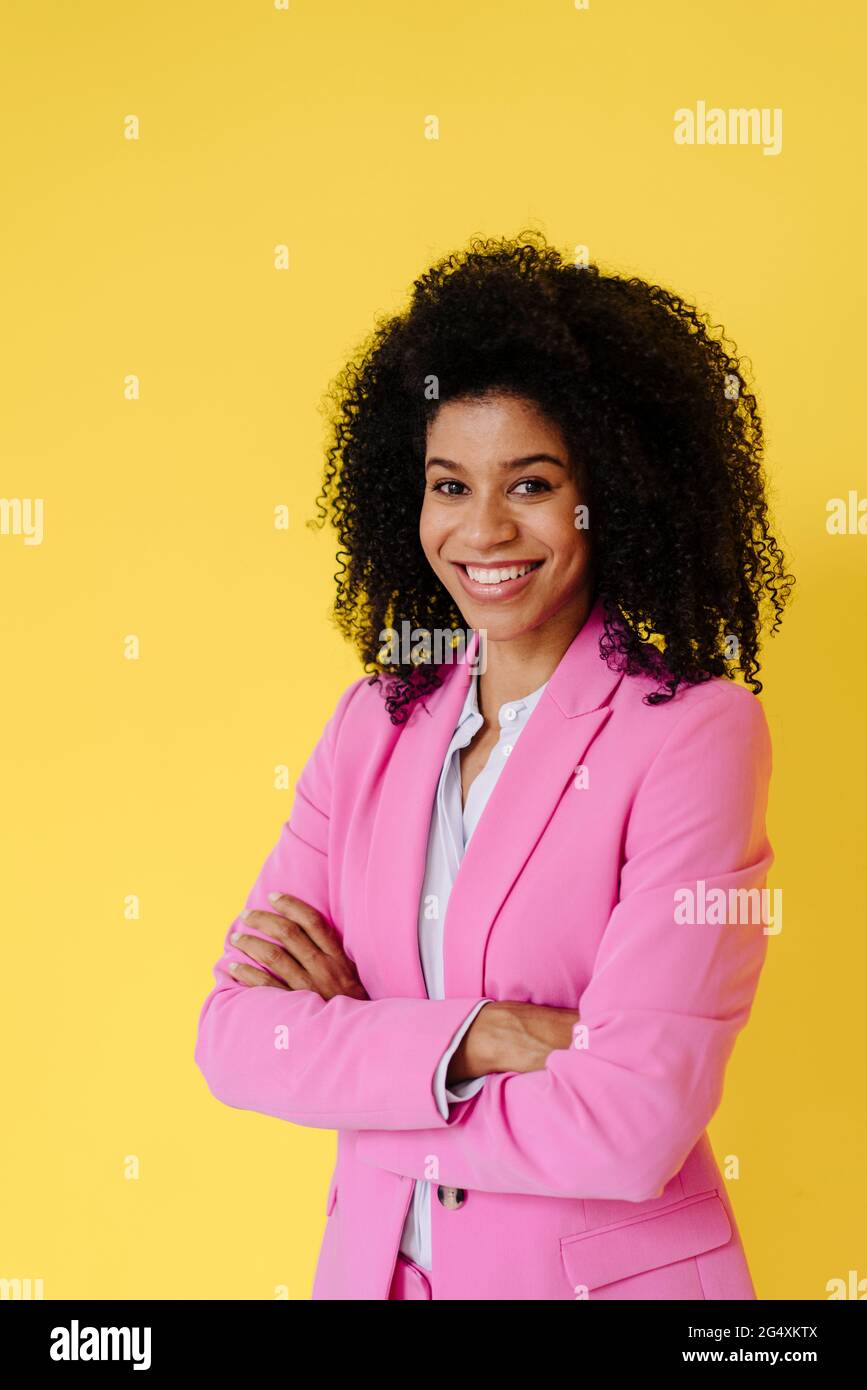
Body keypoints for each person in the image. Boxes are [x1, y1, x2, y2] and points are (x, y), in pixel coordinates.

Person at [194, 230, 793, 1300]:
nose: (482, 529)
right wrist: (484, 1037)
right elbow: (236, 1036)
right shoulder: (372, 725)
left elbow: (627, 1125)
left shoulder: (694, 734)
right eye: (448, 483)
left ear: (610, 489)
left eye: (530, 483)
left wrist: (367, 1064)